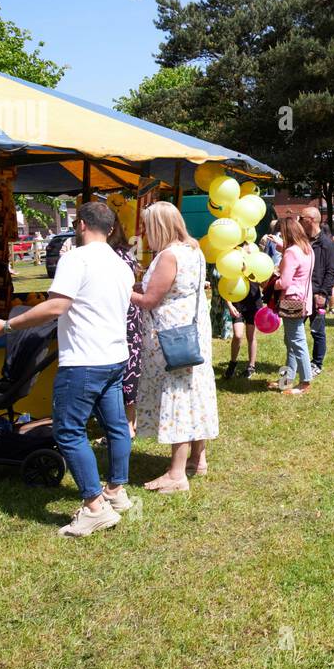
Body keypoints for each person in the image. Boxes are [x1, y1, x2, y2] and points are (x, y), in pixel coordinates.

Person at [0, 201, 133, 536]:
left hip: (83, 360)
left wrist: (8, 326)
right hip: (113, 357)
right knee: (116, 427)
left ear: (80, 224)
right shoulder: (121, 264)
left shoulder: (75, 258)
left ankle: (95, 507)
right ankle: (116, 491)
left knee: (68, 431)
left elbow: (56, 306)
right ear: (109, 228)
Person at [132, 201, 220, 490]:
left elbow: (149, 300)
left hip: (169, 336)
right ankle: (198, 458)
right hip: (192, 332)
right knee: (192, 392)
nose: (144, 232)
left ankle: (176, 474)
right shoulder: (194, 250)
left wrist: (122, 288)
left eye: (147, 226)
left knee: (177, 398)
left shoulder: (169, 256)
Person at [271, 213, 316, 393]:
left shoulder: (291, 252)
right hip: (304, 300)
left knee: (296, 341)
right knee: (291, 340)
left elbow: (284, 282)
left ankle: (305, 382)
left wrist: (267, 283)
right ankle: (286, 380)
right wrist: (281, 247)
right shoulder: (307, 248)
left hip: (292, 301)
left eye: (281, 233)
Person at [107, 220, 143, 435]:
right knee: (131, 368)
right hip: (129, 315)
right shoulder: (126, 253)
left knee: (126, 369)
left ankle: (127, 425)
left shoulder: (116, 255)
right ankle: (130, 422)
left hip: (122, 317)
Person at [301, 206, 334, 377]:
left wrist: (323, 294)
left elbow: (332, 271)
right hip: (301, 293)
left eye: (301, 218)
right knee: (295, 331)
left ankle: (317, 363)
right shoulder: (303, 242)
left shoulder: (328, 244)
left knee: (317, 330)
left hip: (317, 293)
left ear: (311, 219)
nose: (299, 221)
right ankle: (296, 361)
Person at [222, 249, 262, 380]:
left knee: (251, 336)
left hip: (253, 303)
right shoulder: (232, 266)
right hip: (237, 303)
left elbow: (263, 281)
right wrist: (230, 305)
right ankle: (232, 364)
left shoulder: (255, 267)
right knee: (238, 335)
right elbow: (225, 287)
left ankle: (251, 366)